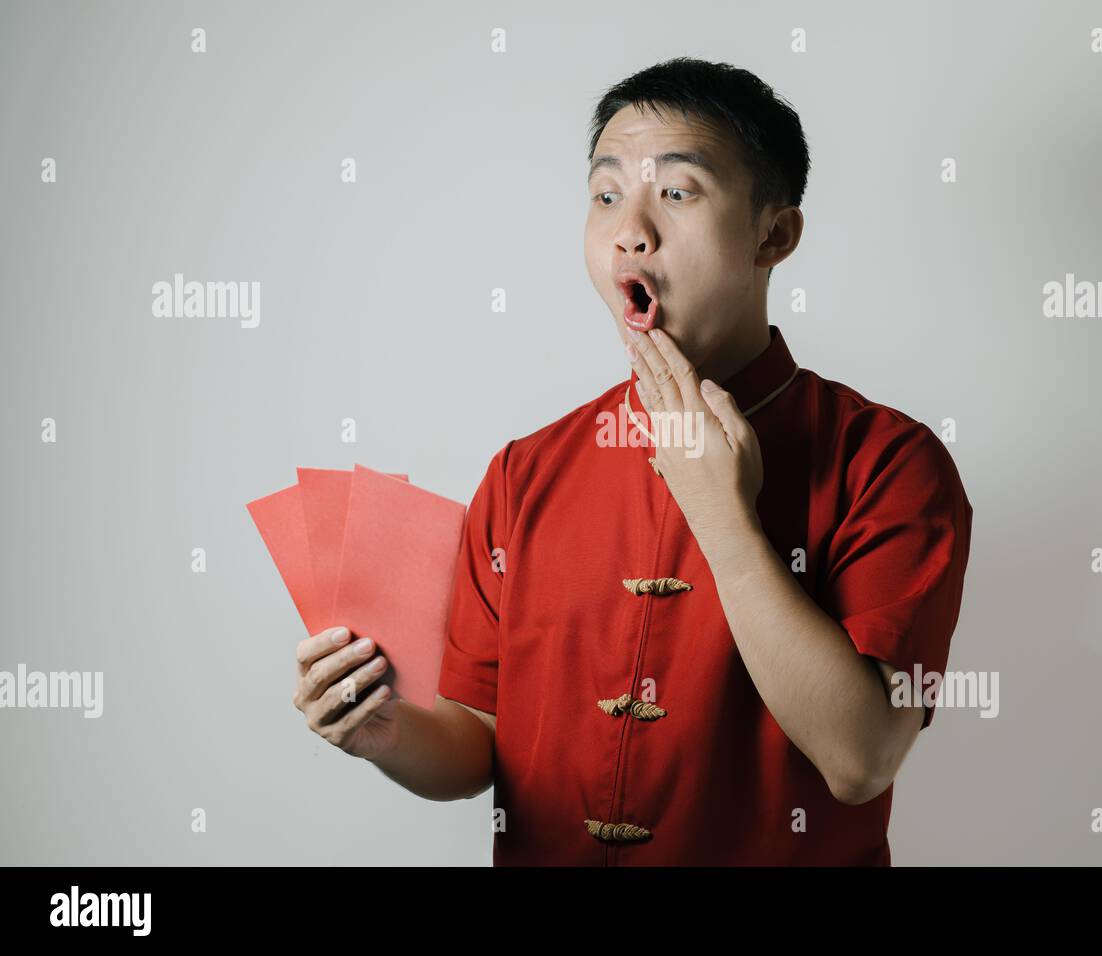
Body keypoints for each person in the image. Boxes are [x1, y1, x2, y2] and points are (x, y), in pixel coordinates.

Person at [293, 56, 973, 866]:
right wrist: (387, 733)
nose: (631, 230)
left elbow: (860, 759)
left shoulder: (890, 464)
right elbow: (478, 739)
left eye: (678, 194)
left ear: (775, 234)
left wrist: (723, 514)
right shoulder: (524, 473)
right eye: (607, 195)